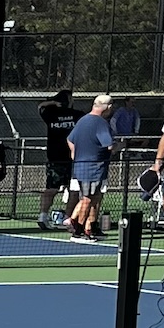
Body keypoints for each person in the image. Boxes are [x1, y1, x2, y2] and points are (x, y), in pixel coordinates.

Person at [66, 93, 115, 242]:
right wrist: (120, 146)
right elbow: (109, 145)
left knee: (95, 197)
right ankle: (78, 232)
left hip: (84, 167)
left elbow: (70, 139)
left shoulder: (82, 120)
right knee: (87, 199)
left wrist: (74, 153)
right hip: (93, 168)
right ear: (108, 108)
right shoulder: (101, 123)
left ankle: (89, 228)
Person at [37, 87, 79, 228]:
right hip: (69, 159)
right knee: (73, 189)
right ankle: (66, 218)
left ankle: (46, 216)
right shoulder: (75, 115)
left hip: (58, 158)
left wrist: (52, 103)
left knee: (54, 189)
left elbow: (40, 106)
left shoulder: (51, 113)